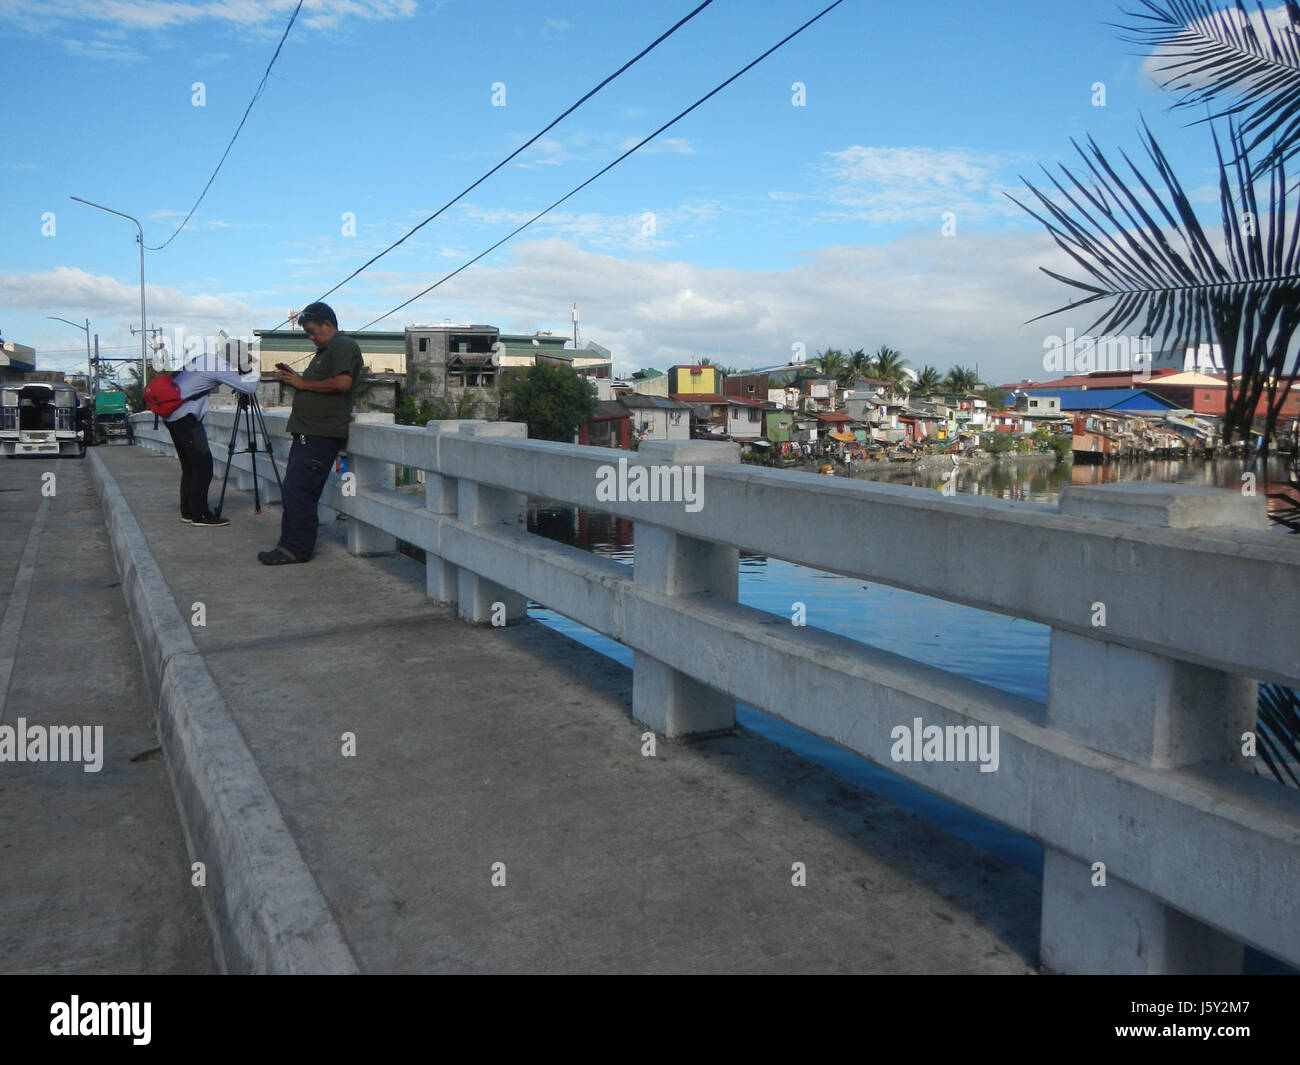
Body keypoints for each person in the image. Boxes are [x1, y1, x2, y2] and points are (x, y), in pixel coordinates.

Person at [258, 301, 364, 565]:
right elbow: (319, 385)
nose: (311, 336)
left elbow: (342, 383)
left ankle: (297, 548)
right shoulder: (325, 350)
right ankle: (290, 545)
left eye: (313, 330)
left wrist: (303, 383)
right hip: (308, 431)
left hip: (321, 433)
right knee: (294, 489)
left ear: (328, 325)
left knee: (300, 491)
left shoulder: (343, 345)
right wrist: (298, 380)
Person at [164, 336, 261, 527]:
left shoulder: (205, 358)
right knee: (204, 466)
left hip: (172, 417)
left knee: (191, 466)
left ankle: (189, 512)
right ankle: (200, 515)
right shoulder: (219, 366)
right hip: (186, 419)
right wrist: (254, 369)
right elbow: (248, 387)